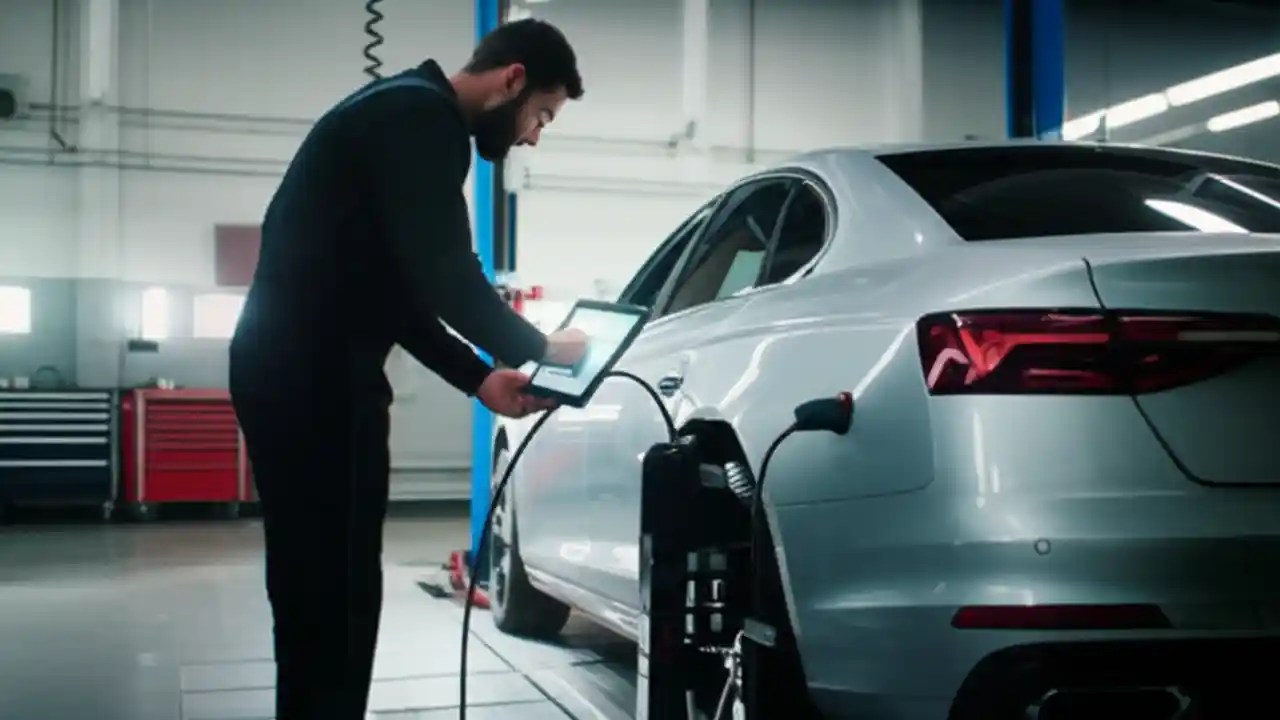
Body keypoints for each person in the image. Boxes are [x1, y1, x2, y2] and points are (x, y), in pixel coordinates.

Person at [228, 19, 587, 720]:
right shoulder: (418, 120)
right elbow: (446, 274)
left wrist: (481, 378)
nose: (533, 136)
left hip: (313, 375)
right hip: (310, 383)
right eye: (541, 115)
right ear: (511, 80)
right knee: (325, 593)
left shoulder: (404, 113)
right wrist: (540, 347)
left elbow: (399, 290)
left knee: (340, 589)